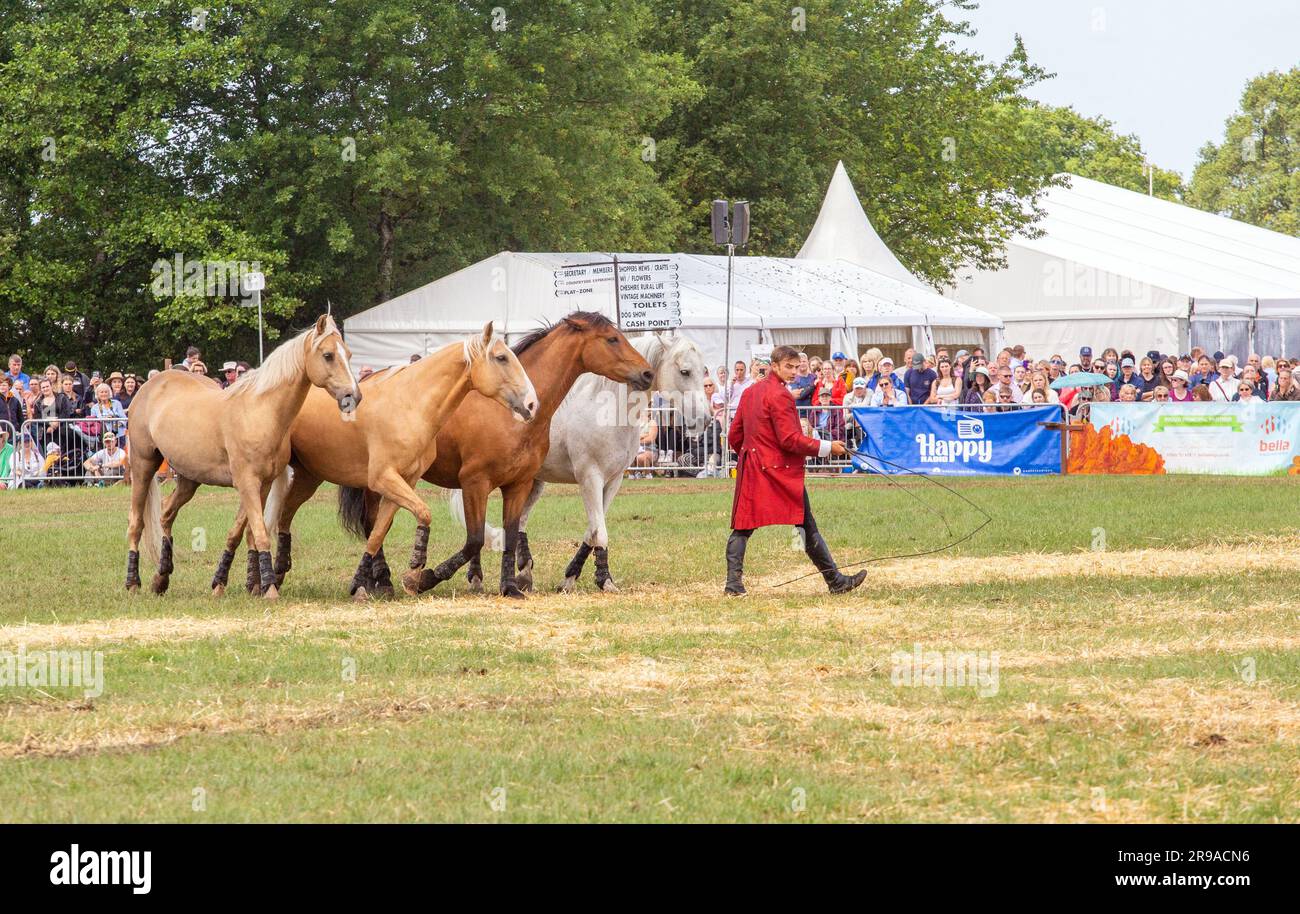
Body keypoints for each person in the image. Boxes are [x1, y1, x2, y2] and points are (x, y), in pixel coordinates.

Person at [724, 345, 866, 597]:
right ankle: (835, 581)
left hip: (754, 468)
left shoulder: (750, 392)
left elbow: (735, 435)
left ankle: (733, 586)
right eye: (787, 367)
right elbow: (790, 439)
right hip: (779, 471)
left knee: (744, 525)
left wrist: (749, 454)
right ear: (774, 365)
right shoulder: (781, 395)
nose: (793, 371)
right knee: (804, 524)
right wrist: (828, 447)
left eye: (795, 366)